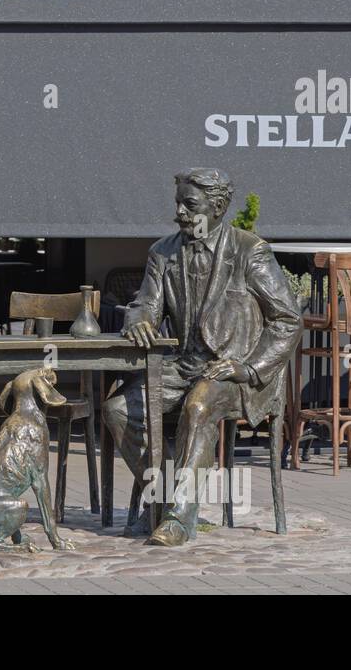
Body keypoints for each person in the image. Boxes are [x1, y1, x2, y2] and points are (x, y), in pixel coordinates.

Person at [102, 168, 301, 546]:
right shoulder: (163, 252)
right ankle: (165, 493)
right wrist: (139, 320)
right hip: (181, 364)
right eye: (177, 203)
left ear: (219, 206)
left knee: (198, 406)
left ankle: (178, 517)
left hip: (233, 370)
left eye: (189, 204)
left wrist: (250, 368)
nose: (179, 212)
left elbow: (288, 319)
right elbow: (145, 304)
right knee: (117, 410)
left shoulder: (249, 251)